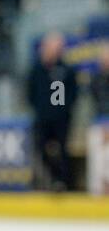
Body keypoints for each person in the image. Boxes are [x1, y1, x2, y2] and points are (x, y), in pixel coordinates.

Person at [27, 31, 79, 190]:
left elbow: (70, 95)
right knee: (40, 148)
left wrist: (61, 111)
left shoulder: (65, 70)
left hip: (61, 119)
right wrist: (41, 109)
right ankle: (50, 178)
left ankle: (64, 182)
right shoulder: (36, 69)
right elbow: (30, 92)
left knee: (63, 150)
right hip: (42, 118)